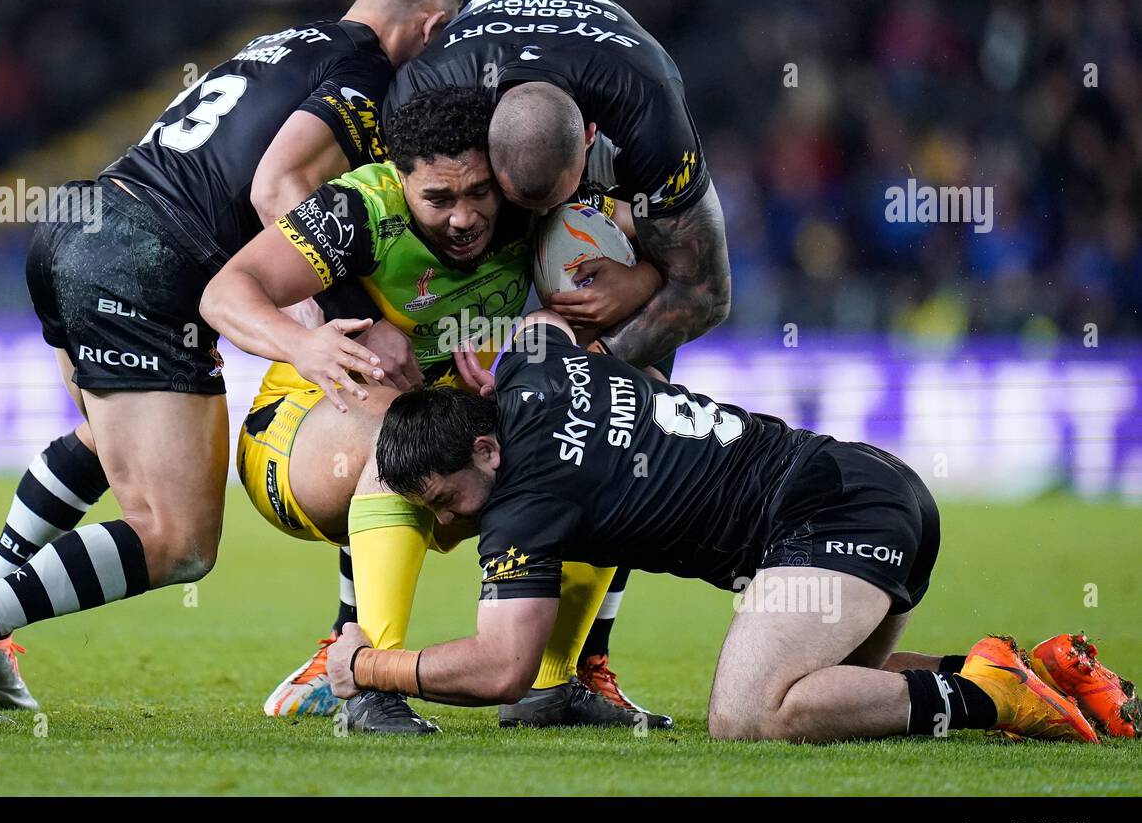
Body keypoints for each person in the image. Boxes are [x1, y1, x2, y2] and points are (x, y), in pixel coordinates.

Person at [0, 0, 467, 721]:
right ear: (430, 30)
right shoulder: (364, 71)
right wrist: (327, 321)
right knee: (177, 539)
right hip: (145, 261)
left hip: (79, 227)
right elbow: (280, 185)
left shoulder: (284, 41)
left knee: (102, 441)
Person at [325, 312, 1137, 745]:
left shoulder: (523, 505)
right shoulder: (533, 364)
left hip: (829, 518)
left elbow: (505, 668)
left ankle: (982, 698)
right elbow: (550, 323)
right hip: (864, 486)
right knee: (839, 688)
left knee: (750, 714)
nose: (441, 527)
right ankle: (1046, 676)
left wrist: (373, 664)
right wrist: (505, 358)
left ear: (487, 448)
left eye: (443, 500)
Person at [202, 87, 669, 731]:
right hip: (306, 433)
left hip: (457, 432)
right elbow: (226, 292)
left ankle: (549, 686)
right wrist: (306, 341)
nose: (463, 218)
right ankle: (371, 684)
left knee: (605, 419)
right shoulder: (360, 210)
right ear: (401, 180)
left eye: (478, 192)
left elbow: (676, 243)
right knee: (407, 426)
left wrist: (633, 283)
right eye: (439, 199)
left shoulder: (538, 201)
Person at [382, 0, 733, 702]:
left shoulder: (649, 117)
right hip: (485, 165)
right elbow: (367, 212)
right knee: (404, 417)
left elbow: (708, 293)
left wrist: (592, 359)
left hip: (611, 151)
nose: (534, 218)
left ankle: (582, 666)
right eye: (517, 200)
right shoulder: (429, 93)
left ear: (588, 161)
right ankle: (356, 641)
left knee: (630, 423)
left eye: (550, 202)